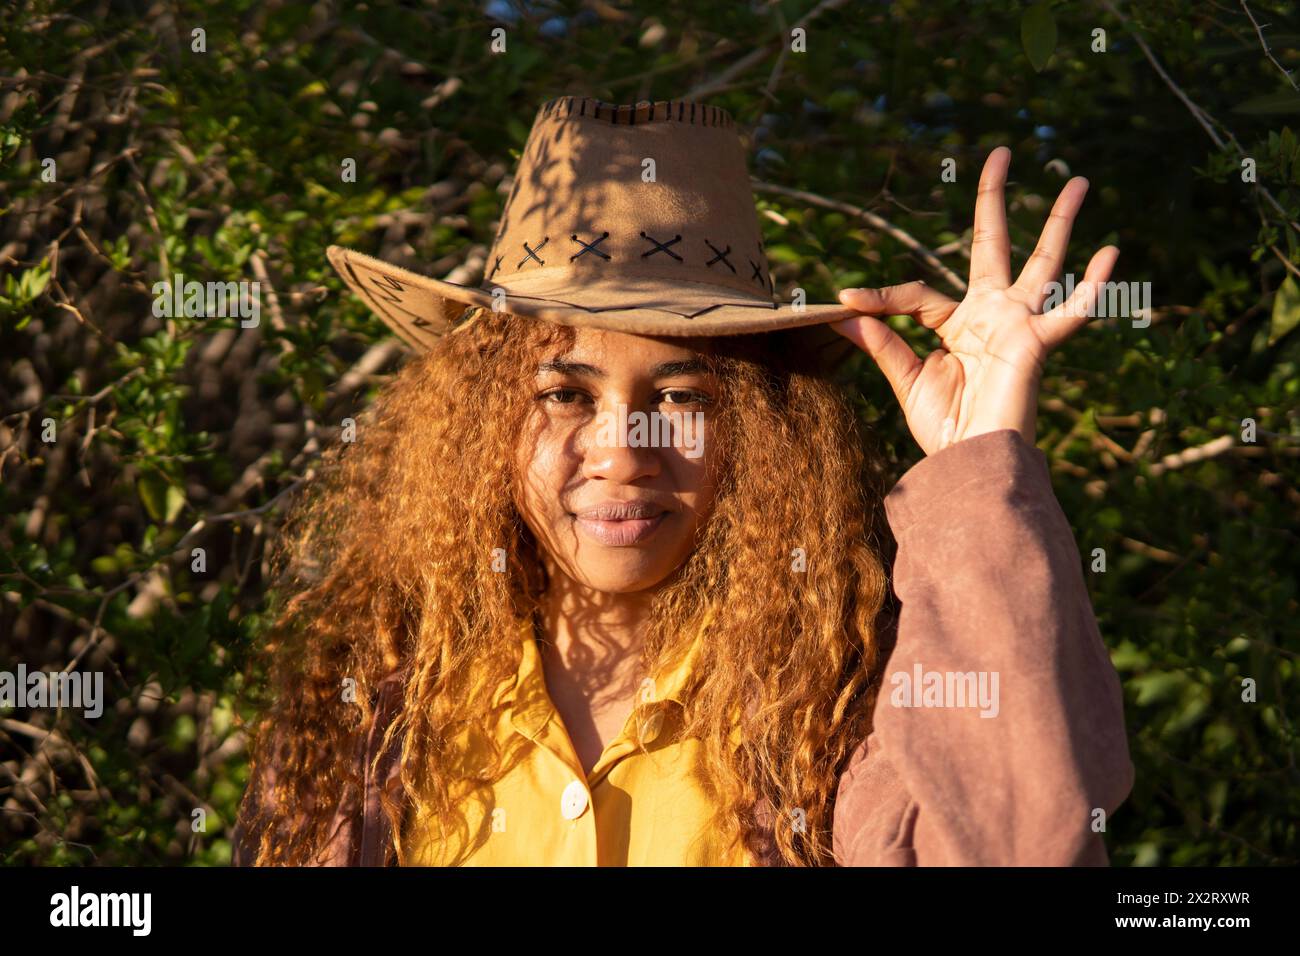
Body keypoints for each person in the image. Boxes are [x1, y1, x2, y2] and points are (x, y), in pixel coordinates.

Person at [231, 96, 1133, 867]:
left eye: (680, 395)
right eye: (560, 392)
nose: (623, 451)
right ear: (479, 426)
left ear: (760, 432)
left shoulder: (840, 708)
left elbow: (1017, 840)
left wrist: (979, 464)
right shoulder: (378, 717)